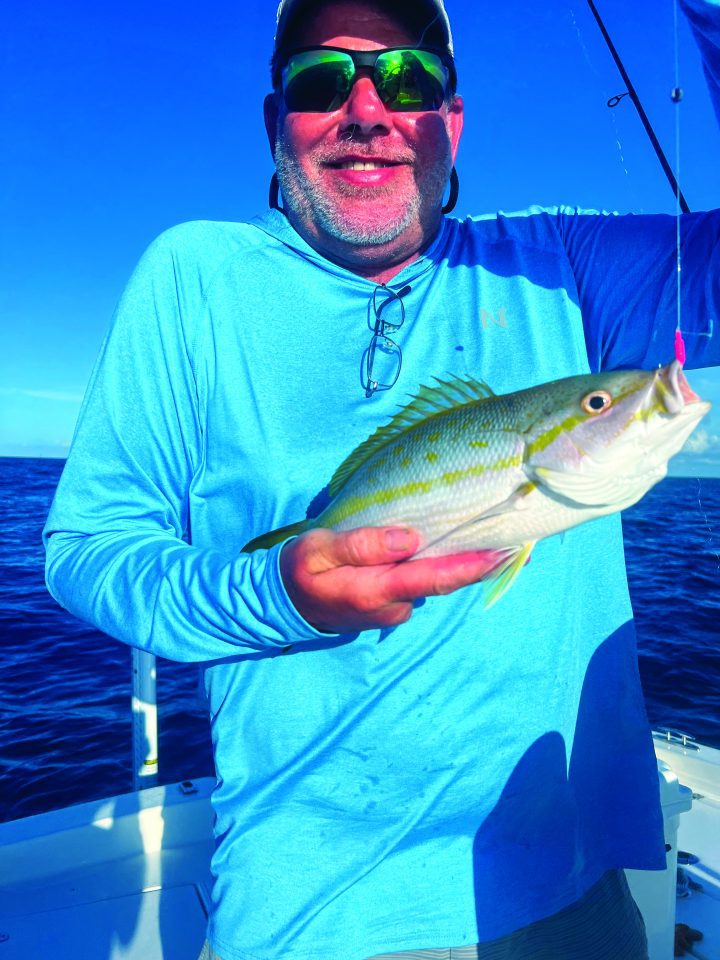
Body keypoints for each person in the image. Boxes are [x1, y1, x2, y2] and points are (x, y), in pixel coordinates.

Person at [43, 1, 719, 958]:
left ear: (451, 118)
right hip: (310, 910)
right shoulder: (192, 277)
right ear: (276, 118)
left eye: (410, 79)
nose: (368, 109)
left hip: (570, 885)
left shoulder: (566, 263)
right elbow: (87, 550)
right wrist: (277, 592)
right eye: (323, 80)